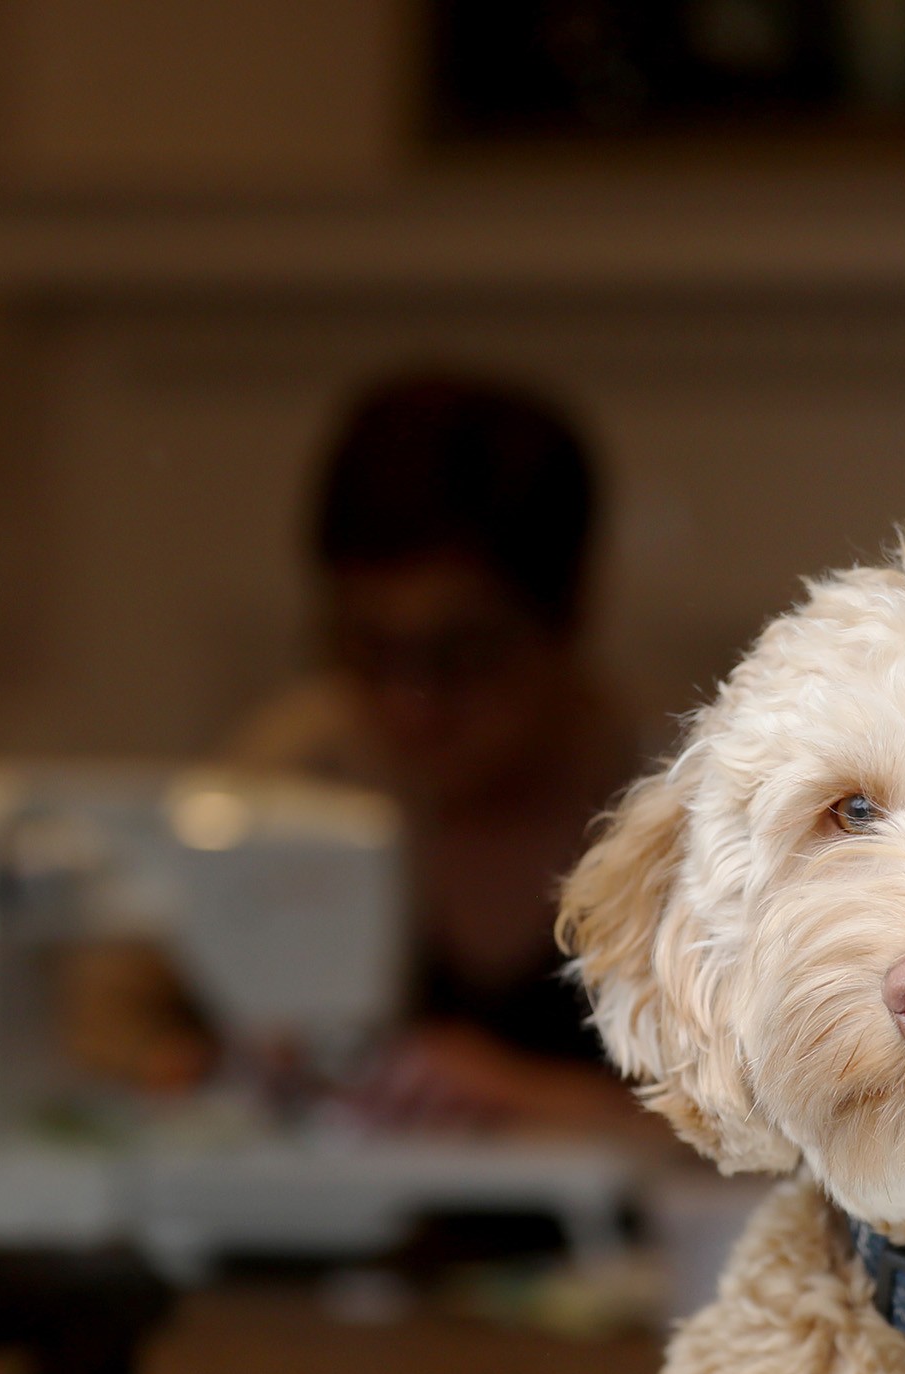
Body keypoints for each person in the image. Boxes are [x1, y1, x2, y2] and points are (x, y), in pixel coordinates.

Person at [72, 374, 645, 1136]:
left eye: (463, 655)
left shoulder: (676, 804)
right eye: (368, 650)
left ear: (569, 619)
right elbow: (104, 1016)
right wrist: (201, 1074)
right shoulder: (288, 778)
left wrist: (532, 1101)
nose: (412, 704)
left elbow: (790, 1123)